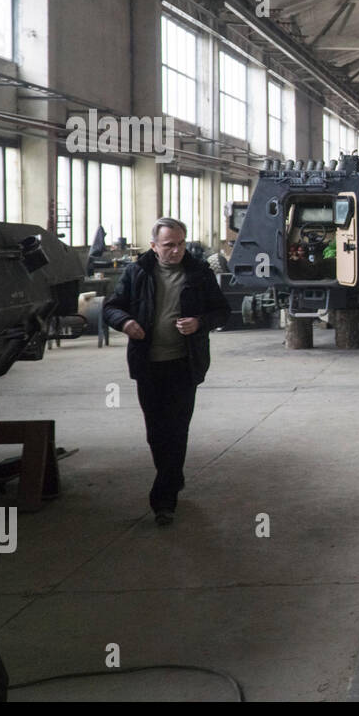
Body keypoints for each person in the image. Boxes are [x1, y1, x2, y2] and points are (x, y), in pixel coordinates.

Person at [103, 217, 229, 525]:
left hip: (184, 364)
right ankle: (172, 476)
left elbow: (222, 311)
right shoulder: (137, 273)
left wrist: (199, 322)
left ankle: (163, 500)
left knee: (177, 429)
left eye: (181, 244)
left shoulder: (199, 274)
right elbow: (111, 307)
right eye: (169, 245)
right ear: (154, 245)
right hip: (148, 365)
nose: (176, 250)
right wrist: (125, 322)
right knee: (156, 433)